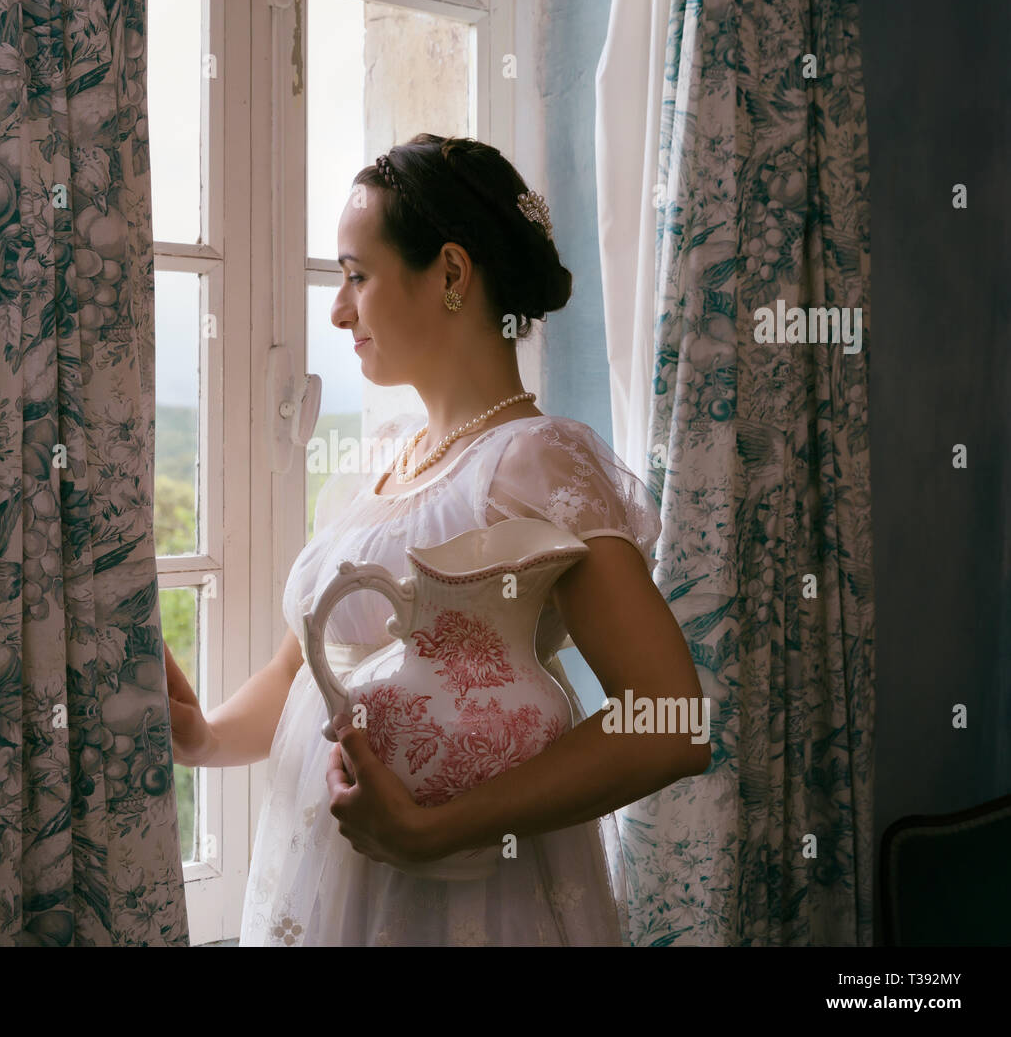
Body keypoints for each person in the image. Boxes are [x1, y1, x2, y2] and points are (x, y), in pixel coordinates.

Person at [164, 134, 710, 946]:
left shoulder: (534, 459)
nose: (338, 310)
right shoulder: (379, 462)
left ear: (451, 274)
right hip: (329, 895)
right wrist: (201, 737)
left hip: (474, 904)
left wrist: (433, 827)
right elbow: (306, 671)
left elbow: (670, 719)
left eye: (356, 275)